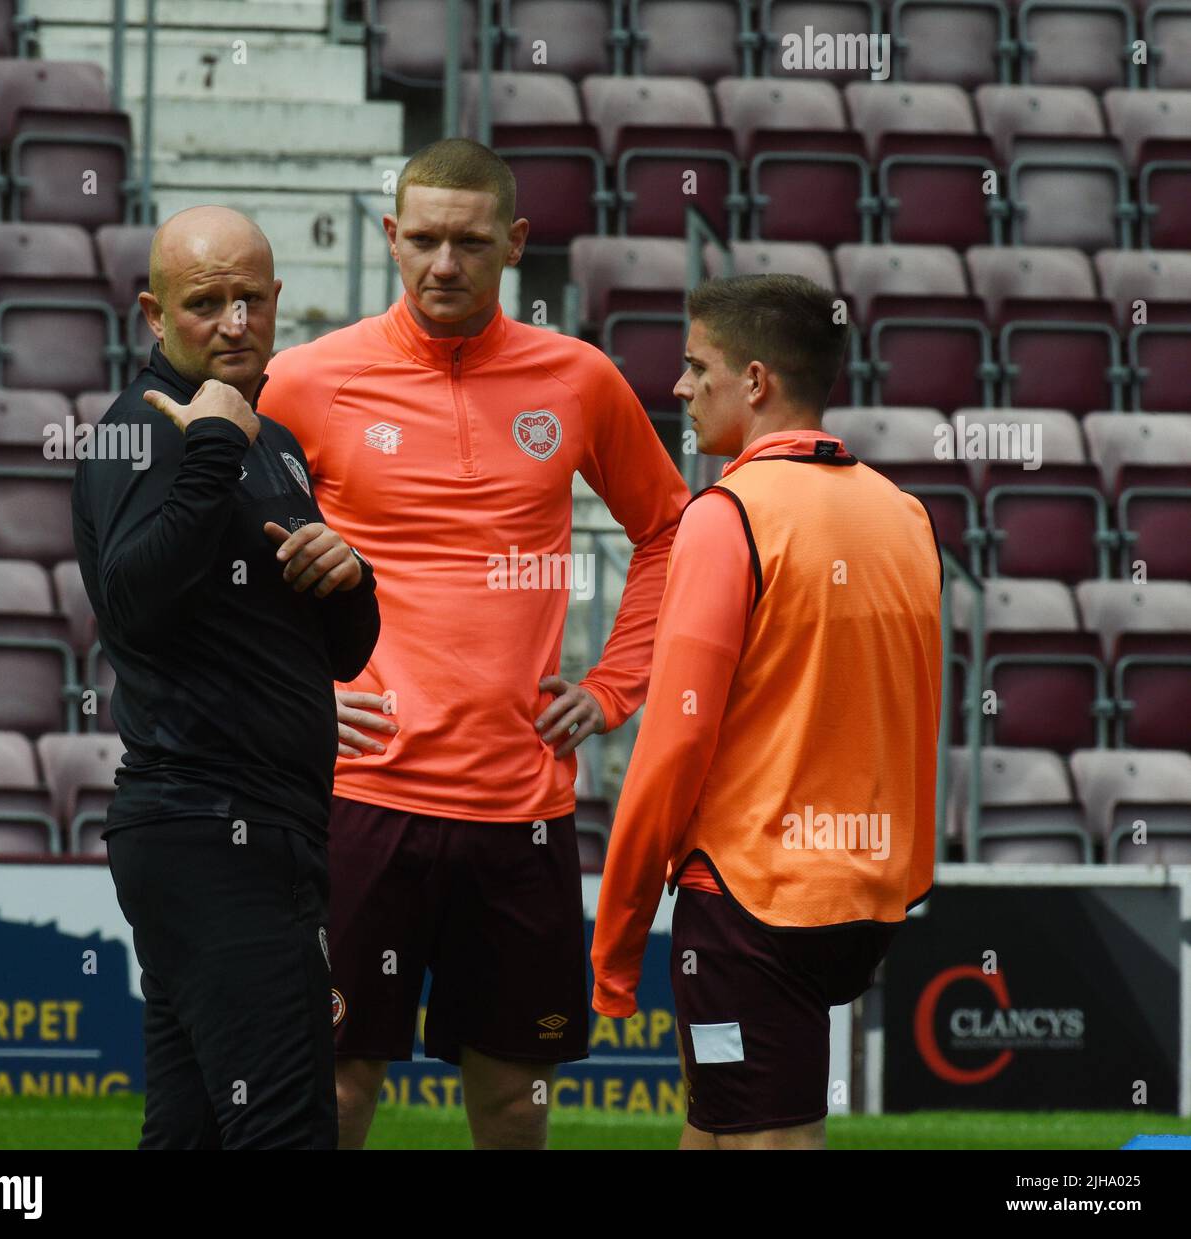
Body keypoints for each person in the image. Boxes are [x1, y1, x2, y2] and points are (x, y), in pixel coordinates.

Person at [256, 139, 691, 1149]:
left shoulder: (577, 380)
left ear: (515, 244)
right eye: (423, 240)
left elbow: (673, 529)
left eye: (469, 241)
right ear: (389, 240)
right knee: (337, 1086)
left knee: (511, 1098)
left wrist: (617, 683)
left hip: (521, 811)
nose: (444, 263)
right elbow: (220, 566)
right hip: (361, 801)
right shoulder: (305, 383)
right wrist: (294, 698)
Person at [591, 274, 943, 1150]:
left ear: (753, 381)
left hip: (750, 897)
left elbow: (672, 743)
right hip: (866, 890)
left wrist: (619, 934)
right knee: (717, 1127)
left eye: (692, 364)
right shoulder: (906, 515)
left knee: (767, 1138)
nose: (677, 386)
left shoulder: (726, 514)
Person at [71, 205, 380, 1149]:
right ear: (155, 317)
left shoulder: (274, 441)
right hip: (212, 833)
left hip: (252, 831)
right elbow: (130, 600)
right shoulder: (142, 433)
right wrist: (210, 443)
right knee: (287, 1127)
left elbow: (341, 653)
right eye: (206, 303)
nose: (235, 323)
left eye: (251, 298)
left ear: (280, 300)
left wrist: (348, 579)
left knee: (195, 1133)